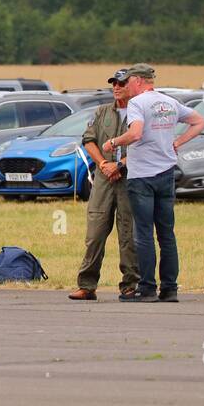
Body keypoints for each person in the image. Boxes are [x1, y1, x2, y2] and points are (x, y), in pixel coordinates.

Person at [102, 63, 204, 302]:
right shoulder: (169, 102)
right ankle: (170, 288)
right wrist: (178, 142)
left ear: (139, 81)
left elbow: (136, 133)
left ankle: (147, 287)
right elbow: (200, 122)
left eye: (128, 81)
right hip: (166, 173)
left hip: (142, 176)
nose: (125, 85)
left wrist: (114, 142)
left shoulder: (137, 103)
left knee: (143, 233)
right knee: (167, 233)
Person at [68, 70, 139, 301]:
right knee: (95, 232)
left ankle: (130, 284)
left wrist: (120, 165)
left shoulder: (139, 112)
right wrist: (104, 164)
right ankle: (87, 285)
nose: (116, 87)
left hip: (130, 178)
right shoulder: (101, 112)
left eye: (121, 83)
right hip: (103, 178)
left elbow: (145, 145)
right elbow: (88, 140)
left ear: (131, 86)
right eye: (113, 84)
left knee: (129, 233)